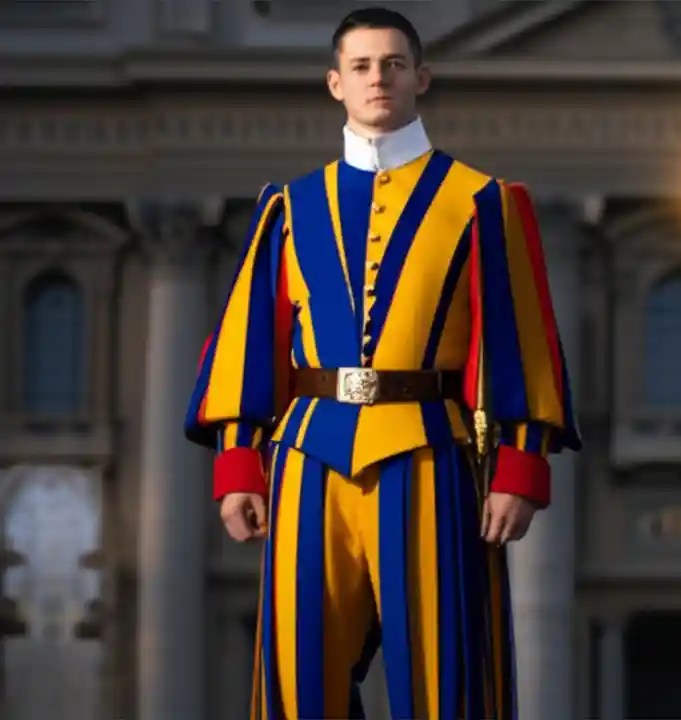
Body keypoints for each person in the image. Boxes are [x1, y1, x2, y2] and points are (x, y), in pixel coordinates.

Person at [182, 7, 581, 719]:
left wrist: (519, 466)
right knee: (300, 673)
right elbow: (251, 338)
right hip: (307, 454)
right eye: (362, 66)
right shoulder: (289, 206)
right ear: (335, 82)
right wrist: (239, 460)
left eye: (394, 64)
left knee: (445, 673)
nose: (379, 78)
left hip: (431, 454)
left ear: (421, 77)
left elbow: (519, 337)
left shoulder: (482, 202)